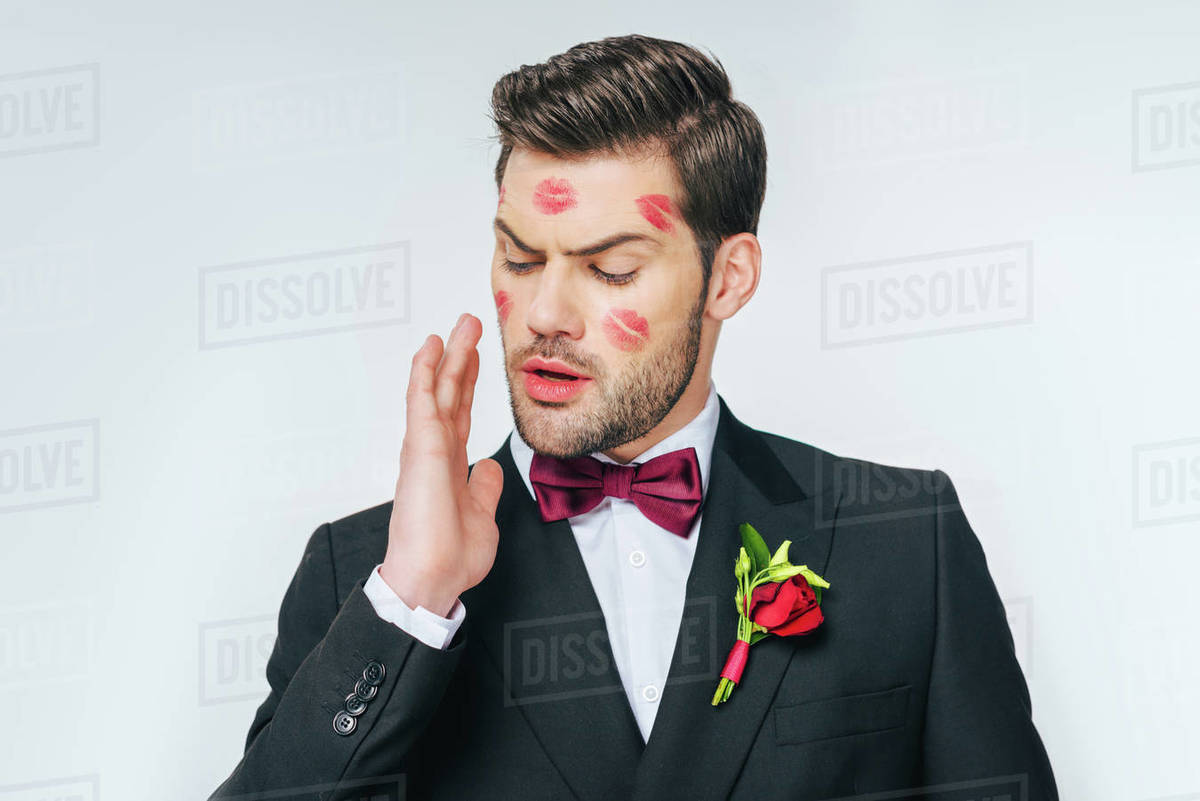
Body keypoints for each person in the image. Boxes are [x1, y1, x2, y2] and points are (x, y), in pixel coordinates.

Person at [209, 33, 1058, 801]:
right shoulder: (363, 577)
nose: (544, 312)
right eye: (518, 256)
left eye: (610, 267)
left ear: (729, 278)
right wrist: (414, 599)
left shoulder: (904, 542)